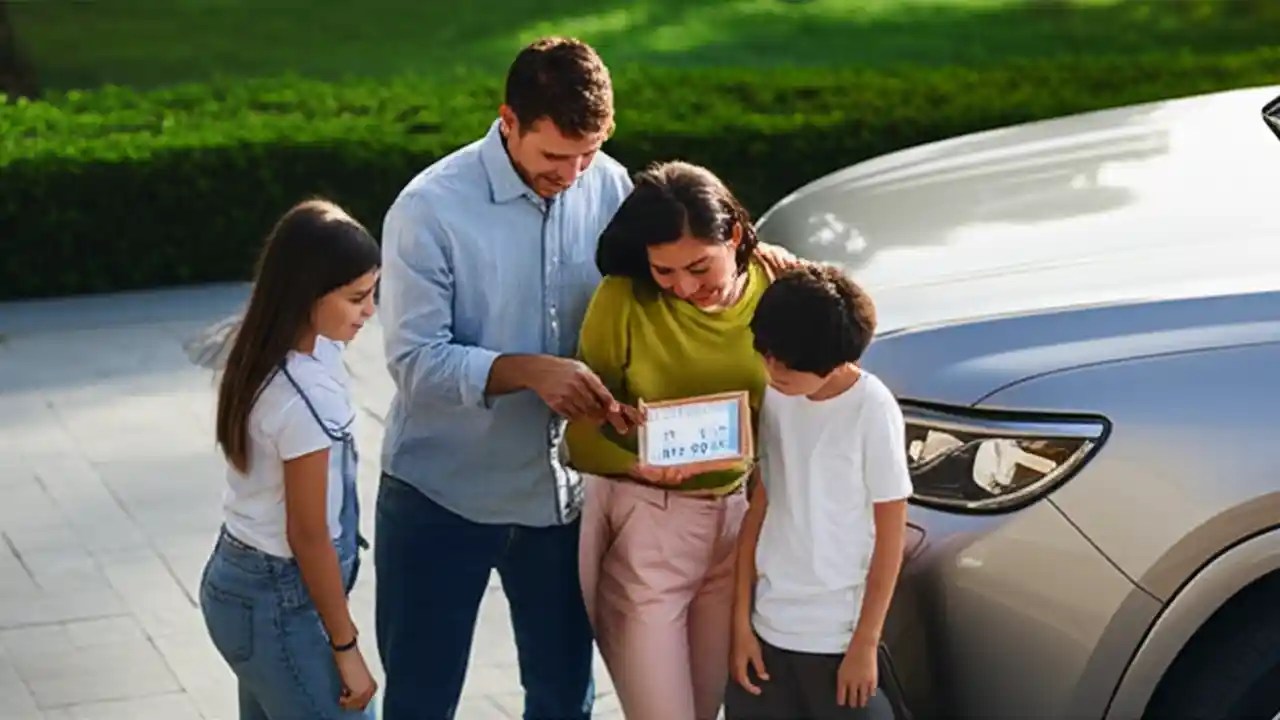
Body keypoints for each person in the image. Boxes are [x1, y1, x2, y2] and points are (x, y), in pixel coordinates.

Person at [374, 37, 636, 719]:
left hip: (562, 503)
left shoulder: (610, 183)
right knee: (421, 703)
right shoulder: (427, 209)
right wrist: (524, 372)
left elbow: (659, 289)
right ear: (508, 121)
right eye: (555, 156)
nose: (575, 173)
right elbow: (412, 360)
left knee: (562, 700)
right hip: (438, 499)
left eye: (589, 152)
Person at [567, 159, 793, 720]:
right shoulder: (623, 297)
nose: (685, 288)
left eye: (699, 267)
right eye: (664, 271)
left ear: (735, 236)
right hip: (649, 525)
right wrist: (642, 465)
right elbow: (579, 433)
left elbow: (850, 337)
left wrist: (804, 277)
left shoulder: (777, 287)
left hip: (739, 527)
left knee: (708, 708)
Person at [199, 199, 381, 719]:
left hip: (242, 586)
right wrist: (346, 649)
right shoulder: (302, 402)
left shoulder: (265, 347)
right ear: (307, 294)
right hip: (278, 603)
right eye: (357, 298)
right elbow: (308, 534)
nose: (370, 311)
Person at [725, 264, 912, 720]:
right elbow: (761, 506)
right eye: (765, 354)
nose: (771, 370)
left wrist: (865, 642)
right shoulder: (777, 395)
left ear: (835, 360)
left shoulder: (872, 408)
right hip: (768, 629)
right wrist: (740, 626)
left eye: (786, 364)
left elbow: (891, 535)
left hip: (836, 638)